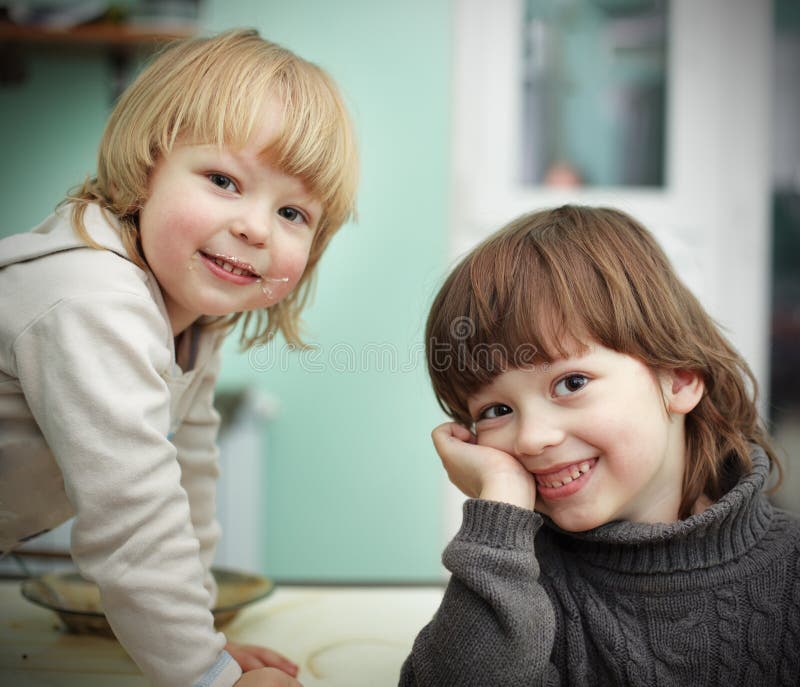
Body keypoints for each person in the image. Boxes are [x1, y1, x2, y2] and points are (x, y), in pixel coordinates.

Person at [0, 29, 357, 687]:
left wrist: (203, 642)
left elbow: (186, 475)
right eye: (223, 180)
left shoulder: (197, 319)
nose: (256, 227)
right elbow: (132, 521)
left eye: (292, 212)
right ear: (147, 169)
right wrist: (207, 675)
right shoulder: (93, 302)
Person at [400, 205, 800, 686]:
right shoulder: (516, 587)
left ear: (679, 379)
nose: (531, 438)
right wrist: (500, 499)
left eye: (570, 383)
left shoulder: (790, 572)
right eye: (496, 411)